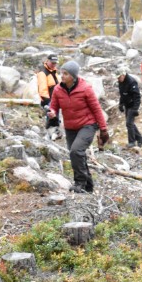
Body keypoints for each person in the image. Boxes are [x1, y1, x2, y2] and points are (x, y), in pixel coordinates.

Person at [47, 61, 110, 193]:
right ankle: (89, 186)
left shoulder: (85, 88)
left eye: (65, 74)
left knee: (76, 151)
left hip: (87, 125)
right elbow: (54, 106)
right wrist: (52, 112)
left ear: (73, 76)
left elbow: (97, 109)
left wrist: (103, 129)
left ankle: (79, 182)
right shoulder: (58, 89)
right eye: (61, 73)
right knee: (77, 155)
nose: (62, 76)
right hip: (70, 127)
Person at [116, 67, 142, 148]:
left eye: (119, 77)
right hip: (127, 104)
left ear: (123, 75)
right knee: (130, 124)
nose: (118, 79)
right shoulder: (120, 82)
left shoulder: (131, 82)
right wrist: (121, 104)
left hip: (132, 105)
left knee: (129, 123)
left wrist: (135, 108)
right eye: (117, 77)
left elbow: (137, 96)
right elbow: (122, 94)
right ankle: (141, 139)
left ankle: (132, 142)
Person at [37, 54, 61, 133]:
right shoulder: (43, 73)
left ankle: (55, 132)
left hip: (56, 99)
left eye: (55, 63)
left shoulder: (54, 72)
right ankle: (50, 134)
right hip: (48, 100)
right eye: (52, 63)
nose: (54, 64)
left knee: (56, 118)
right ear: (47, 61)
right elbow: (42, 89)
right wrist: (46, 102)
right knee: (51, 119)